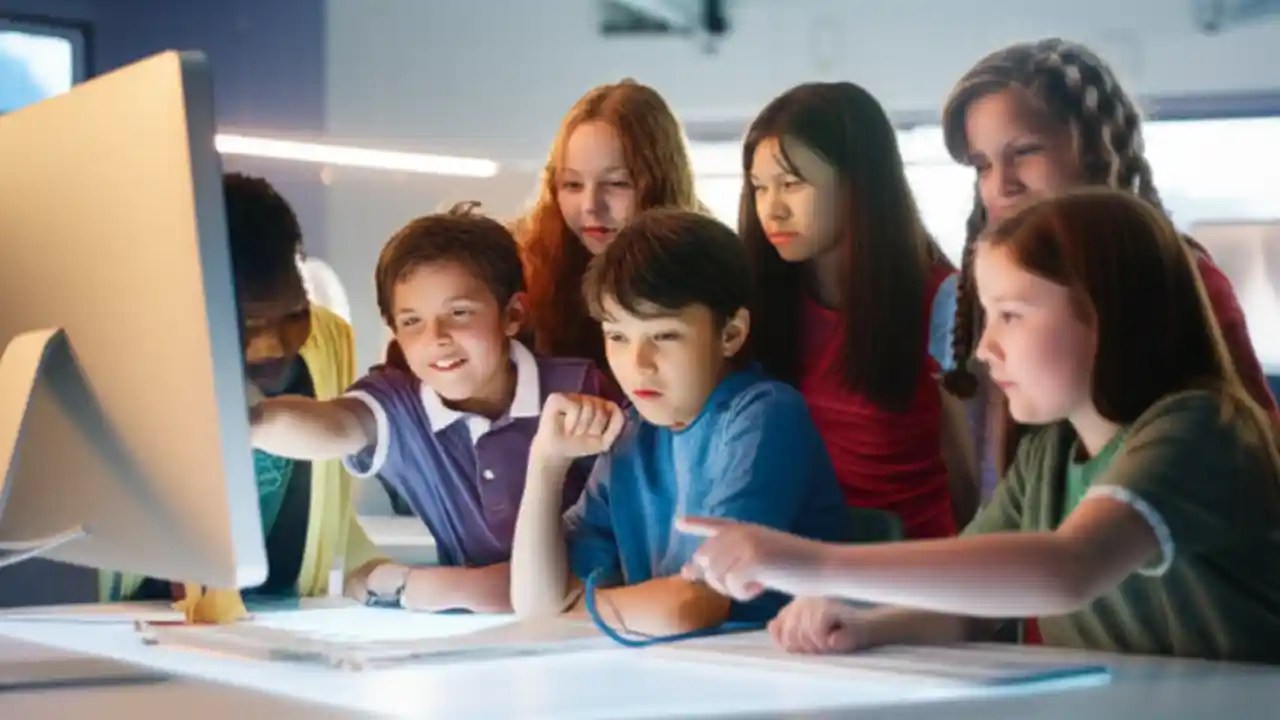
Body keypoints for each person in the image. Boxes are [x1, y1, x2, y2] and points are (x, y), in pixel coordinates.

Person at [681, 190, 1280, 664]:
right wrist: (869, 624)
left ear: (1112, 316)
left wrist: (813, 564)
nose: (987, 348)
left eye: (1012, 316)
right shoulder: (1050, 453)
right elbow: (972, 606)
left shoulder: (1199, 430)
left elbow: (1068, 568)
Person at [510, 209, 851, 637]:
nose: (638, 365)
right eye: (617, 336)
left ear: (730, 334)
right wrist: (545, 465)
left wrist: (566, 609)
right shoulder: (633, 431)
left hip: (783, 672)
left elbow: (690, 607)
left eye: (665, 336)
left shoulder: (763, 415)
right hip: (680, 668)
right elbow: (532, 598)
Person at [251, 203, 607, 611]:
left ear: (512, 314)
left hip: (586, 617)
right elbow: (335, 425)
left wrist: (409, 584)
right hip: (469, 634)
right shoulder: (398, 403)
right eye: (412, 322)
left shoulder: (579, 389)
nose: (436, 337)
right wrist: (248, 421)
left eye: (458, 313)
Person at [101, 173, 380, 607]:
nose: (274, 346)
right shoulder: (119, 366)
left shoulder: (327, 343)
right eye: (246, 324)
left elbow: (326, 515)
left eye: (293, 314)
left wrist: (382, 572)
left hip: (278, 622)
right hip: (134, 621)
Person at [741, 82, 977, 538]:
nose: (772, 209)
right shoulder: (764, 294)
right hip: (799, 561)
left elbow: (973, 480)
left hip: (910, 569)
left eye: (791, 185)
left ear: (858, 185)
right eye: (758, 188)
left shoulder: (942, 300)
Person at [517, 79, 701, 369]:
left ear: (663, 183)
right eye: (573, 184)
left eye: (616, 183)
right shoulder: (528, 271)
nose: (591, 205)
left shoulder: (708, 272)